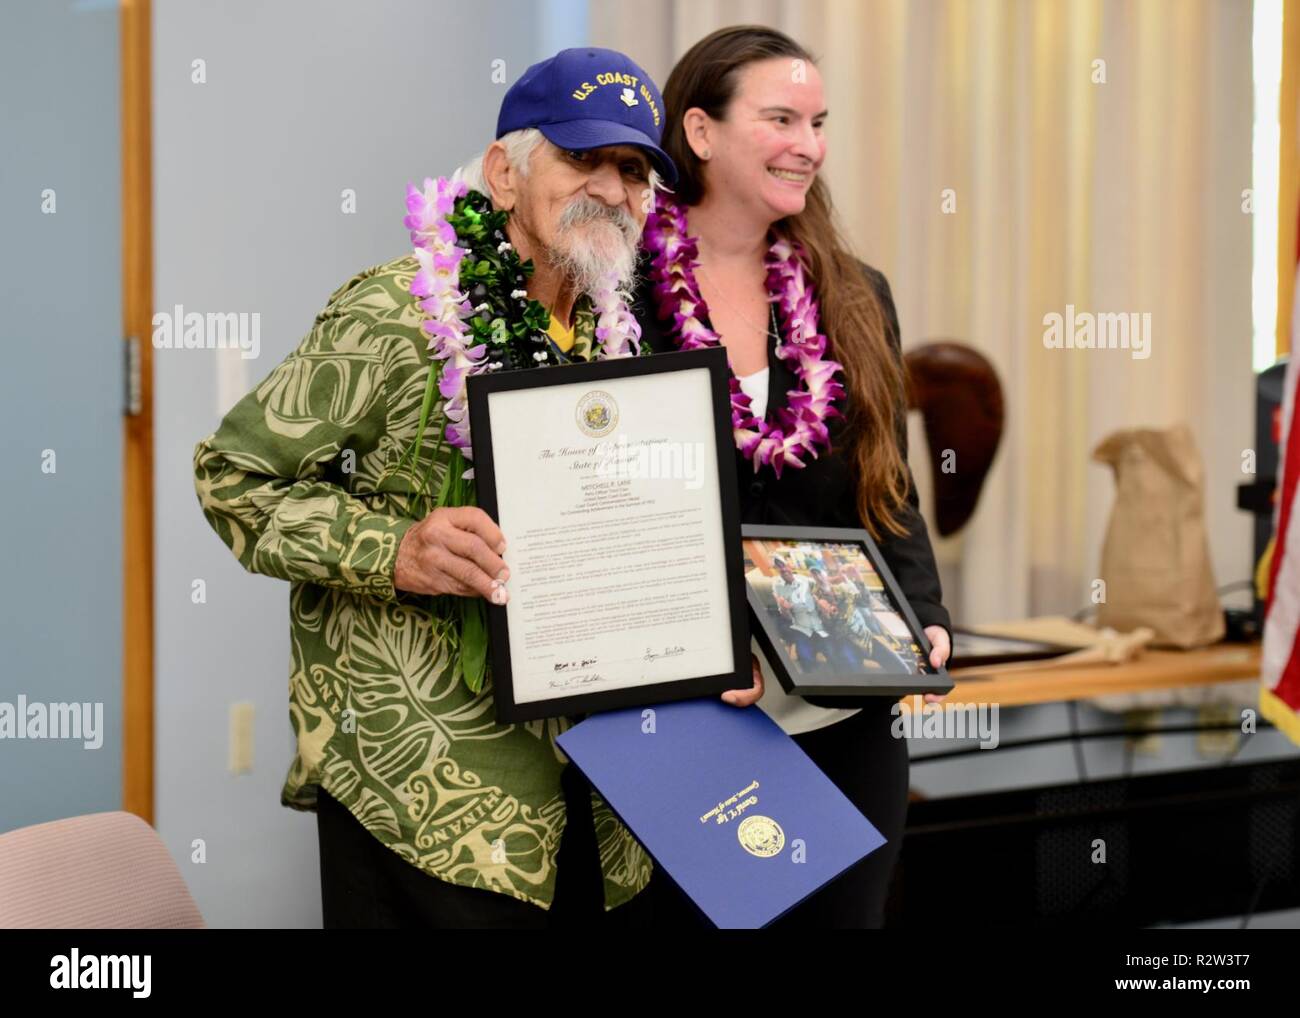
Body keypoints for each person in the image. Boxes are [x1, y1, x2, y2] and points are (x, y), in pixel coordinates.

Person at [193, 46, 762, 929]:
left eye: (632, 170)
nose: (613, 191)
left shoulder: (636, 341)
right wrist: (397, 550)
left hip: (606, 804)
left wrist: (707, 645)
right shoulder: (394, 313)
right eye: (582, 159)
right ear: (504, 172)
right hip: (426, 798)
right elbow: (233, 478)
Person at [635, 25, 952, 928]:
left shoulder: (856, 292)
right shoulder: (617, 290)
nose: (808, 145)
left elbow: (888, 485)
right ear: (699, 131)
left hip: (843, 712)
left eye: (818, 121)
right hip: (686, 715)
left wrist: (922, 614)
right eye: (780, 118)